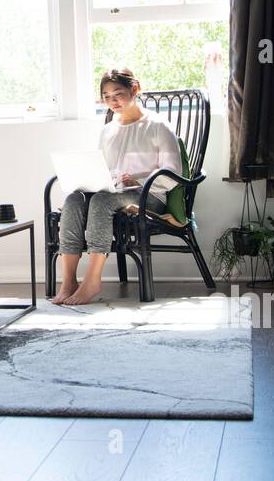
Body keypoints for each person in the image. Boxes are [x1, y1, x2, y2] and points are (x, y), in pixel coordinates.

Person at [54, 68, 183, 305]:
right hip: (114, 192)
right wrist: (91, 179)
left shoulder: (157, 125)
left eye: (118, 94)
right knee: (74, 199)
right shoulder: (108, 130)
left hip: (149, 196)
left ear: (135, 89)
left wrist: (140, 181)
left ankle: (92, 281)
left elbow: (173, 172)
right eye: (107, 96)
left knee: (102, 202)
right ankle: (69, 281)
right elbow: (103, 167)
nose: (112, 101)